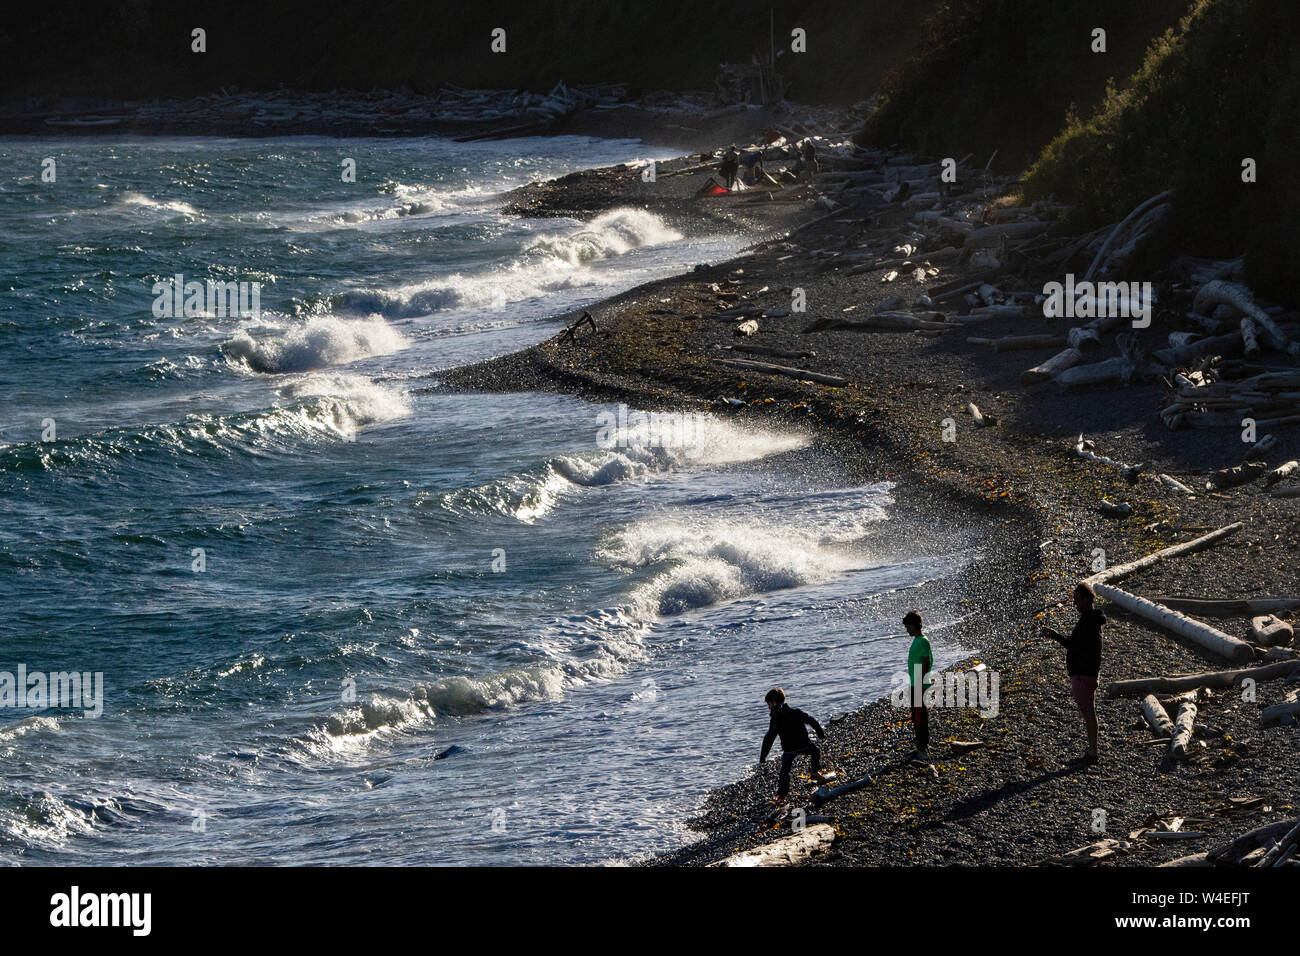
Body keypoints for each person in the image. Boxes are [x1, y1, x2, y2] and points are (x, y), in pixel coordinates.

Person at [1040, 582, 1105, 764]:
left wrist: (1055, 635)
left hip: (1084, 675)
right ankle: (1092, 751)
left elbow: (1073, 644)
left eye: (1077, 599)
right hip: (1088, 673)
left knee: (1089, 714)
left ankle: (1093, 752)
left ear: (1086, 599)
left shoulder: (1088, 621)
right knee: (1089, 713)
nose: (1075, 603)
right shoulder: (1092, 620)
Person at [759, 687, 827, 799]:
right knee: (815, 752)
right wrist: (820, 733)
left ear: (773, 702)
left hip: (789, 750)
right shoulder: (796, 712)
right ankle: (814, 772)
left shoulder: (775, 719)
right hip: (804, 745)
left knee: (784, 772)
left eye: (769, 704)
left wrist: (763, 757)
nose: (768, 708)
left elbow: (769, 739)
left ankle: (781, 795)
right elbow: (811, 720)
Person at [902, 611, 932, 762]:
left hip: (919, 684)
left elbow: (926, 662)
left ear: (914, 625)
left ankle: (923, 749)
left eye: (908, 626)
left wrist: (920, 683)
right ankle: (921, 746)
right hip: (915, 682)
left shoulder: (922, 641)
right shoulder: (917, 640)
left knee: (919, 717)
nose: (907, 629)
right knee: (917, 716)